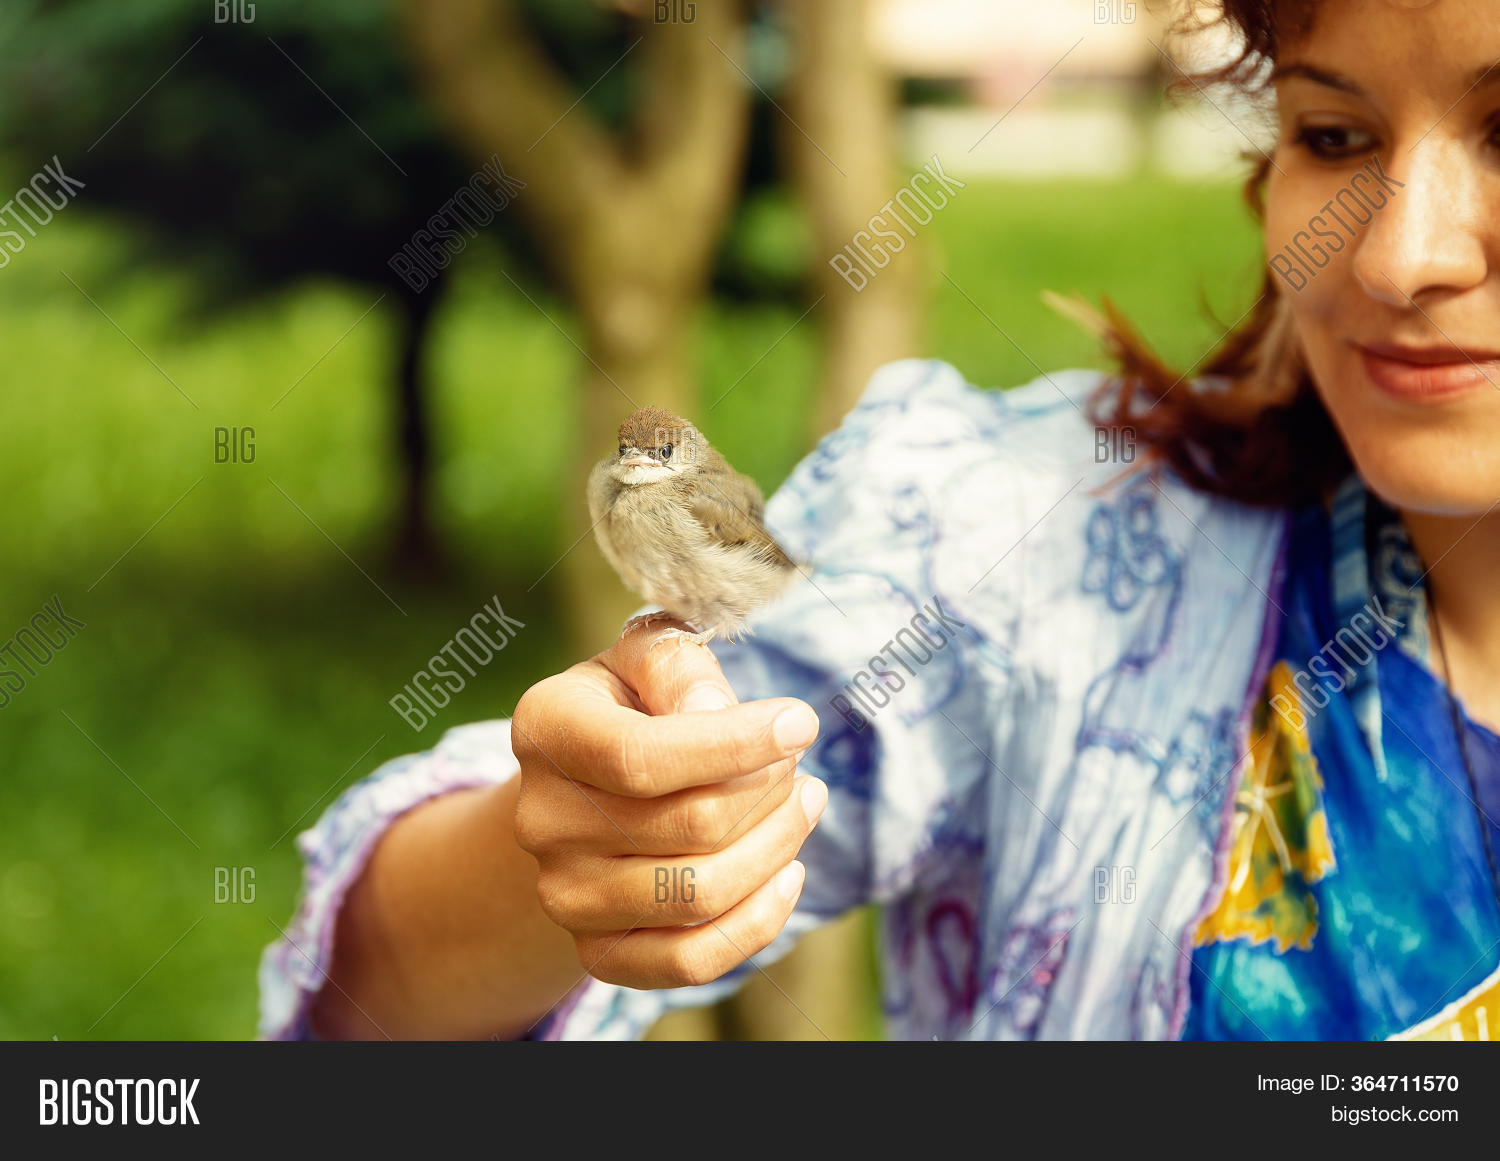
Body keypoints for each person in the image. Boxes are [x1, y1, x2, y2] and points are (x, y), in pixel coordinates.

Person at [260, 0, 1500, 1040]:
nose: (1402, 258)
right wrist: (587, 845)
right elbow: (380, 1002)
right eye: (1335, 133)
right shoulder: (1033, 543)